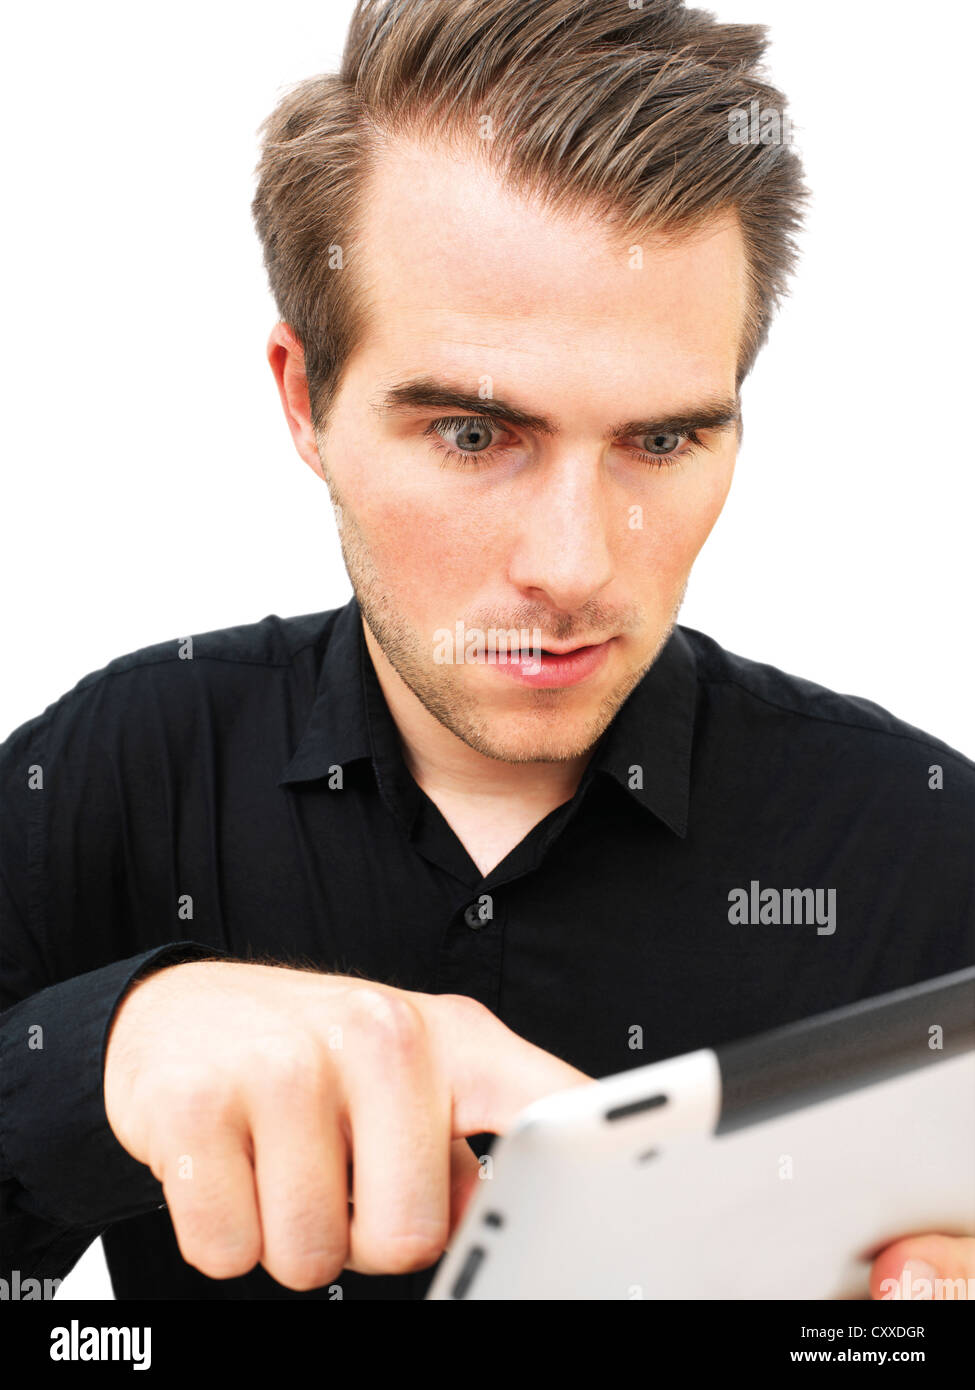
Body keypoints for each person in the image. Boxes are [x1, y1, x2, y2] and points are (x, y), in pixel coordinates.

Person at [1, 0, 972, 1302]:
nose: (575, 566)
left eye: (665, 439)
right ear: (305, 399)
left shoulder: (928, 854)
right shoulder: (113, 774)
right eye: (473, 434)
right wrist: (97, 1055)